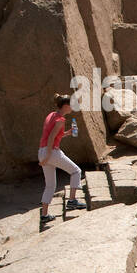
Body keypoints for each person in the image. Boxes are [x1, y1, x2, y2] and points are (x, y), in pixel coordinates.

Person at [39, 94, 84, 222]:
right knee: (76, 171)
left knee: (50, 185)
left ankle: (44, 215)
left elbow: (52, 134)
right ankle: (72, 200)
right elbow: (51, 137)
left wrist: (66, 133)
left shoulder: (51, 115)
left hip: (42, 151)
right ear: (65, 106)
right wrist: (48, 155)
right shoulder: (60, 120)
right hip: (51, 152)